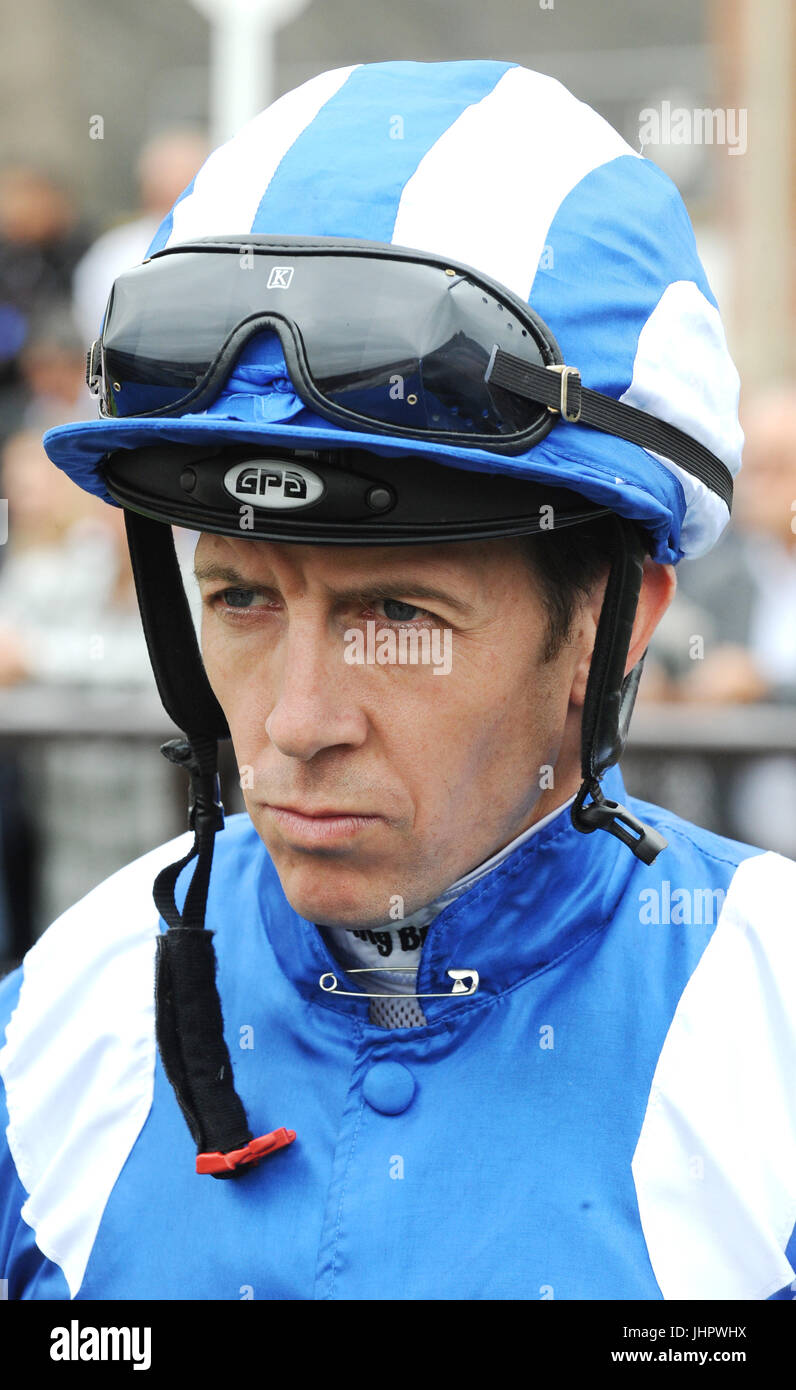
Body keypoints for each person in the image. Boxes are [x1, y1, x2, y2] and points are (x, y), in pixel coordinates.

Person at [1, 59, 794, 1303]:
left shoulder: (773, 1032)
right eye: (242, 598)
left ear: (615, 619)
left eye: (396, 613)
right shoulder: (57, 1012)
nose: (294, 724)